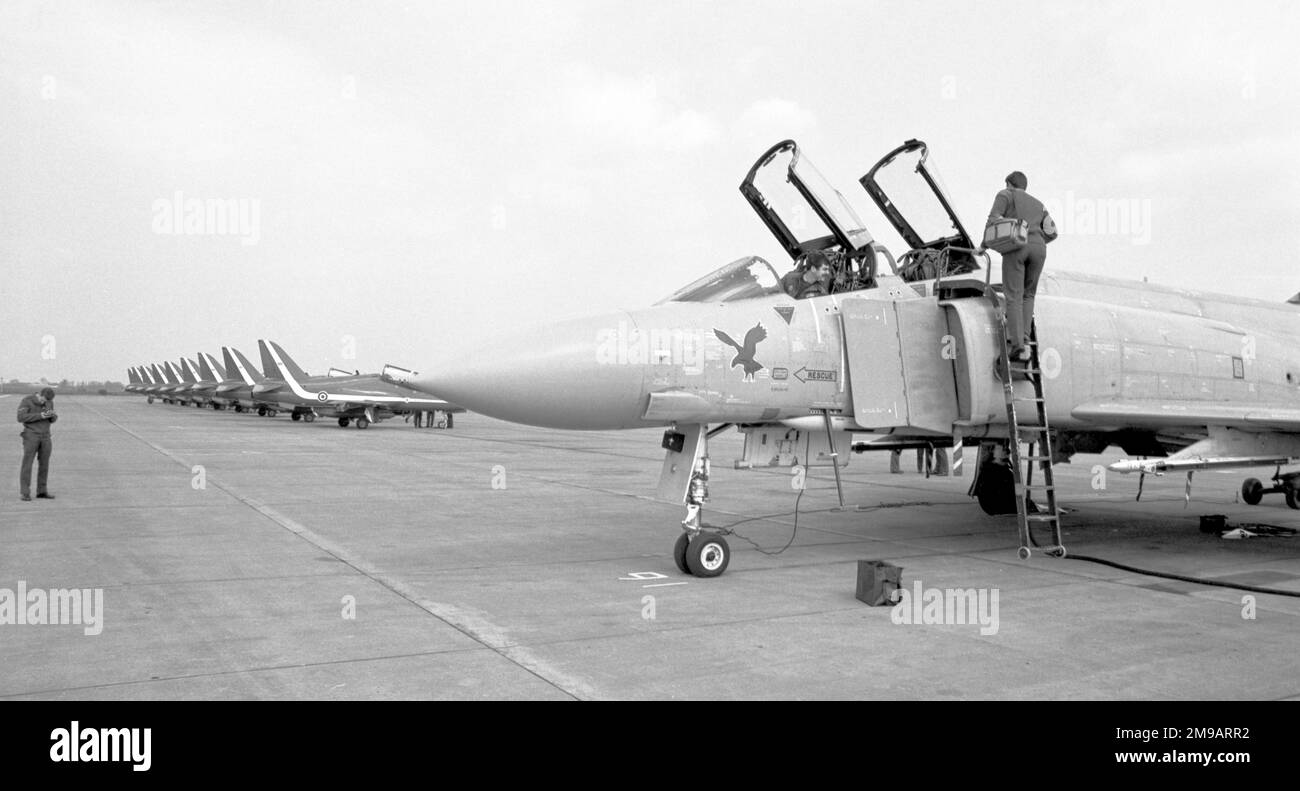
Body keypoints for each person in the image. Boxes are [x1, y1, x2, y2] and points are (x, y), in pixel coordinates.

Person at [987, 171, 1053, 361]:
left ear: (1008, 183)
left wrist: (984, 246)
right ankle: (1025, 338)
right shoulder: (1039, 205)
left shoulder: (1005, 195)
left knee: (1013, 295)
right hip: (1039, 249)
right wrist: (1037, 239)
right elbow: (1052, 231)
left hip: (1017, 248)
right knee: (1028, 294)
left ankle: (1017, 346)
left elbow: (993, 220)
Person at [17, 387, 58, 501]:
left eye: (47, 401)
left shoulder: (49, 402)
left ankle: (42, 491)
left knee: (44, 464)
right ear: (39, 395)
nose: (44, 402)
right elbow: (20, 417)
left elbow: (53, 419)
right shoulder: (27, 400)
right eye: (43, 400)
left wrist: (52, 415)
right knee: (27, 464)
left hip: (45, 436)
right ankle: (25, 493)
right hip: (31, 435)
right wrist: (40, 415)